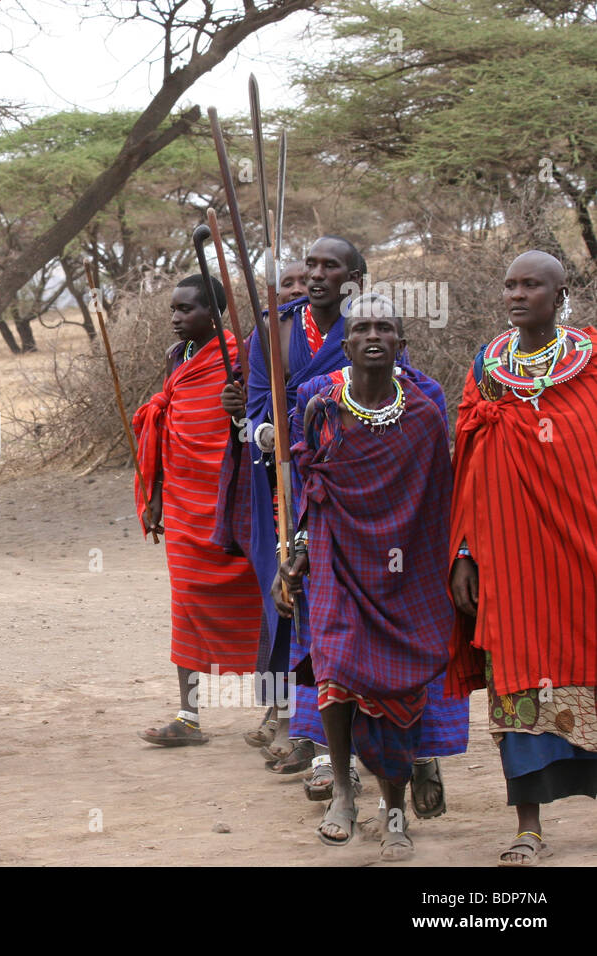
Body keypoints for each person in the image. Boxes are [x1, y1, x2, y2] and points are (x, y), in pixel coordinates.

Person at [275, 297, 456, 861]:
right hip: (334, 556)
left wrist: (451, 566)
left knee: (397, 686)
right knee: (334, 666)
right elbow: (306, 488)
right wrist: (297, 548)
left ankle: (394, 807)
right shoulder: (319, 407)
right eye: (361, 329)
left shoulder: (424, 414)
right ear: (345, 344)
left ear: (402, 346)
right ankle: (344, 798)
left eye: (385, 328)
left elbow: (440, 502)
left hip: (402, 567)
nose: (373, 336)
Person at [447, 250, 597, 866]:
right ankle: (528, 828)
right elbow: (467, 462)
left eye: (531, 285)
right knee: (515, 675)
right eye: (509, 285)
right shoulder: (487, 368)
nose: (516, 294)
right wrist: (462, 550)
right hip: (511, 558)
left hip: (585, 551)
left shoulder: (591, 358)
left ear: (559, 296)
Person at [214, 236, 365, 773]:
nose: (317, 275)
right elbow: (257, 402)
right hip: (283, 484)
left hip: (350, 488)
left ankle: (344, 731)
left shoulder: (369, 326)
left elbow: (387, 396)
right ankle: (301, 724)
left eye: (330, 267)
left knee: (339, 603)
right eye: (312, 266)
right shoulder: (273, 330)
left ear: (354, 279)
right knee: (289, 597)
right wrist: (268, 433)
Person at [131, 275, 263, 745]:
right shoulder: (176, 358)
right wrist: (154, 495)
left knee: (261, 602)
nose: (175, 318)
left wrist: (240, 407)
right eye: (173, 309)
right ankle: (189, 717)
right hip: (183, 501)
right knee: (185, 602)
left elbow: (254, 421)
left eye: (186, 309)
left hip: (230, 499)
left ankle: (277, 714)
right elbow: (168, 427)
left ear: (214, 314)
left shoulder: (240, 355)